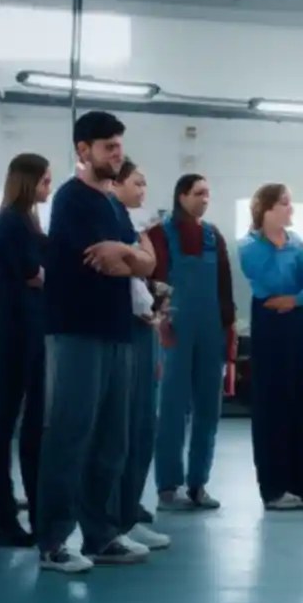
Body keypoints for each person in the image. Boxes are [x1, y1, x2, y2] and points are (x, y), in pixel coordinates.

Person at [38, 111, 157, 573]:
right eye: (108, 146)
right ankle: (52, 541)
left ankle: (101, 533)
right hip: (77, 332)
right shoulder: (72, 200)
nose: (117, 153)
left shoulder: (113, 205)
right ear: (83, 150)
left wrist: (127, 252)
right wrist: (131, 257)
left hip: (116, 332)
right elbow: (109, 265)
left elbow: (142, 263)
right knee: (70, 435)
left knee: (112, 439)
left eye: (119, 145)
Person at [147, 174, 235, 512]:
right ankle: (168, 486)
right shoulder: (160, 234)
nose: (205, 199)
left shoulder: (214, 236)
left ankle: (199, 483)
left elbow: (225, 286)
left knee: (208, 410)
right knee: (170, 408)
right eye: (198, 193)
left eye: (208, 194)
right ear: (181, 196)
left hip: (211, 330)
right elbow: (152, 282)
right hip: (175, 328)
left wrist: (228, 329)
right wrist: (160, 320)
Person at [238, 184, 303, 511]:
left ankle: (302, 482)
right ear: (266, 209)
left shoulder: (298, 242)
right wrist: (294, 289)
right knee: (273, 406)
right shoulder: (250, 247)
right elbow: (266, 283)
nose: (291, 210)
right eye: (285, 204)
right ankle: (274, 489)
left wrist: (297, 298)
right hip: (269, 324)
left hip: (297, 324)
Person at [0, 153, 51, 546]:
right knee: (10, 422)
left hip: (29, 328)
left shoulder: (26, 221)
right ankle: (4, 516)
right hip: (16, 331)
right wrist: (42, 274)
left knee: (27, 422)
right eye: (45, 181)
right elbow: (35, 274)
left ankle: (32, 509)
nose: (48, 188)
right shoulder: (11, 223)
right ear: (29, 181)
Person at [110, 158, 172, 551]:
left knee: (143, 428)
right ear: (116, 184)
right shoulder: (115, 222)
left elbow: (144, 270)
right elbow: (135, 268)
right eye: (137, 181)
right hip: (126, 330)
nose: (143, 189)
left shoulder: (133, 225)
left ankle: (128, 513)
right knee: (124, 429)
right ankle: (114, 518)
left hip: (143, 325)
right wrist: (144, 254)